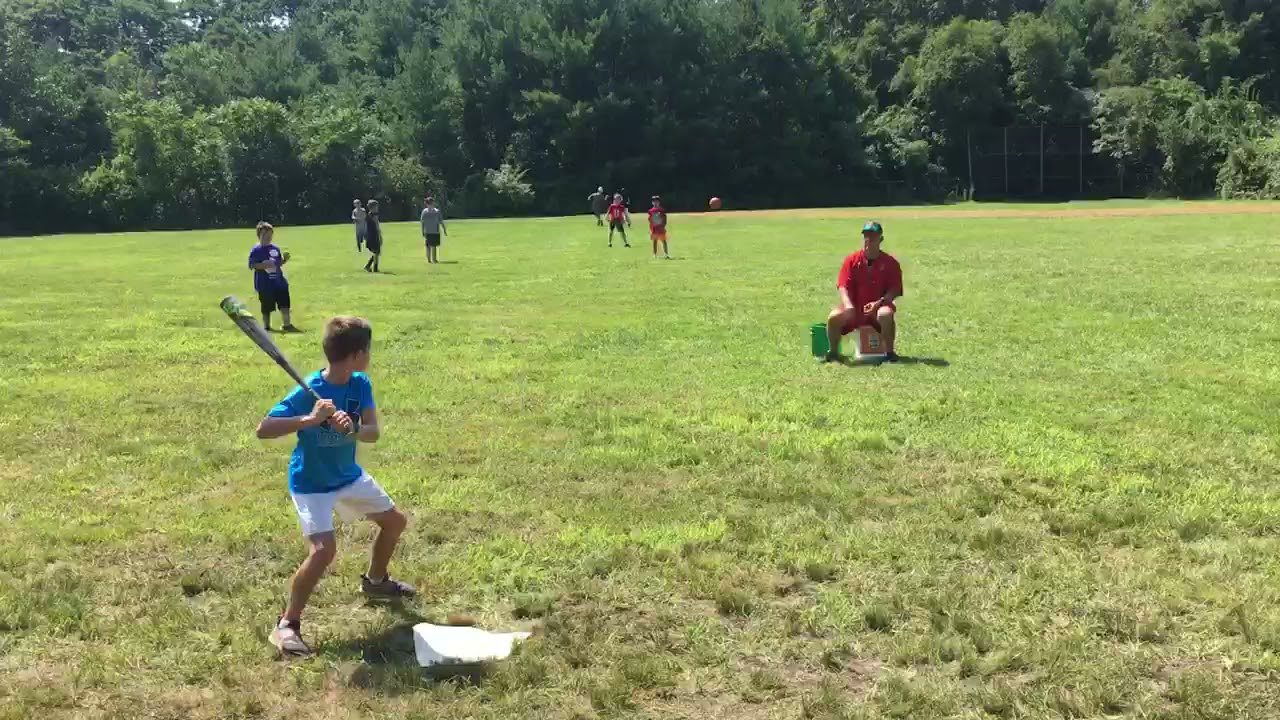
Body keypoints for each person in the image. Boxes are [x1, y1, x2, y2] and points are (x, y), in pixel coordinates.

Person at [257, 316, 415, 657]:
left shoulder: (360, 384)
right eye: (368, 350)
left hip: (348, 476)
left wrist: (353, 428)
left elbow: (373, 432)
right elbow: (264, 429)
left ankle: (375, 581)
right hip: (311, 483)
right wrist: (310, 420)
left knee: (395, 522)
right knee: (323, 551)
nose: (369, 356)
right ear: (357, 353)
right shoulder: (309, 390)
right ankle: (287, 625)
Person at [824, 221, 904, 363]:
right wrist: (848, 306)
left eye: (873, 236)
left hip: (878, 308)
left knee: (886, 314)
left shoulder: (891, 263)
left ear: (881, 239)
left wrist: (878, 303)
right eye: (866, 235)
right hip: (855, 309)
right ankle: (834, 352)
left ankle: (890, 353)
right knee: (834, 316)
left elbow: (895, 290)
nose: (869, 239)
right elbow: (842, 286)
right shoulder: (851, 260)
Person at [247, 222, 298, 333]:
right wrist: (264, 265)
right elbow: (252, 265)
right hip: (265, 284)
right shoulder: (256, 251)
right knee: (266, 307)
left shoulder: (275, 249)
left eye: (270, 235)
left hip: (279, 283)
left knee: (284, 304)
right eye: (265, 235)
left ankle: (287, 324)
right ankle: (266, 326)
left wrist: (283, 260)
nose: (268, 238)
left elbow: (277, 263)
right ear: (259, 235)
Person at [420, 196, 447, 264]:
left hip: (435, 231)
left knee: (434, 246)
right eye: (429, 204)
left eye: (431, 203)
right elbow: (422, 222)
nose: (431, 205)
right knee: (428, 246)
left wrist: (444, 230)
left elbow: (441, 221)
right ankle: (429, 259)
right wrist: (422, 231)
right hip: (428, 231)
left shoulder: (437, 211)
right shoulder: (424, 212)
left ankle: (434, 259)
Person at [363, 200, 382, 273]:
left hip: (370, 235)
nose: (377, 208)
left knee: (375, 252)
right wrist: (380, 235)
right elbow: (377, 226)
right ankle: (374, 268)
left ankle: (369, 266)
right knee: (376, 252)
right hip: (374, 235)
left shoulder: (369, 214)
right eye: (376, 206)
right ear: (373, 207)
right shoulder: (374, 215)